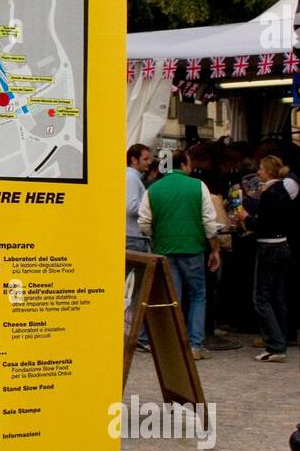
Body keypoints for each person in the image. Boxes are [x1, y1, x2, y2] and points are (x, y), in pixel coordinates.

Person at [137, 148, 221, 361]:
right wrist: (215, 249)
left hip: (164, 250)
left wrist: (157, 237)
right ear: (184, 164)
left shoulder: (153, 189)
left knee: (174, 298)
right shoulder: (198, 186)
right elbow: (209, 223)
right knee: (198, 296)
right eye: (189, 163)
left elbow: (144, 222)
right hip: (193, 249)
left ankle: (173, 344)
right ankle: (195, 345)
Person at [235, 154, 293, 362]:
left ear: (268, 171)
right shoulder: (284, 191)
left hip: (268, 246)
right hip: (283, 245)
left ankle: (275, 345)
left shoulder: (269, 194)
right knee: (278, 295)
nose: (258, 171)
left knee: (261, 298)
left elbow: (262, 225)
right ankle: (282, 340)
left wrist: (245, 218)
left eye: (260, 168)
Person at [125, 144, 152, 349]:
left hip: (134, 236)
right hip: (134, 237)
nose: (149, 162)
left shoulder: (134, 178)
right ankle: (137, 336)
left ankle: (135, 334)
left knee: (134, 290)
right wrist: (149, 204)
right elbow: (131, 206)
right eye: (145, 159)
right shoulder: (131, 178)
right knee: (136, 291)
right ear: (134, 160)